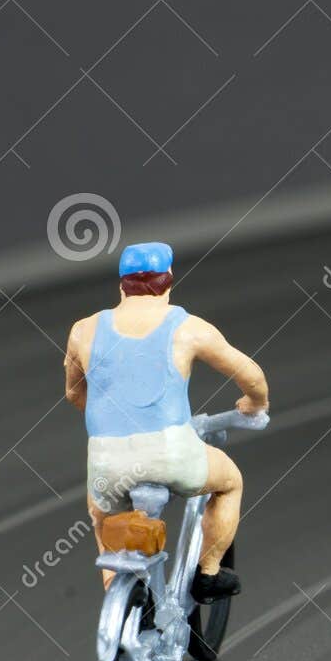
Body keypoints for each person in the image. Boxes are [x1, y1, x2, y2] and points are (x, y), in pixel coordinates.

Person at [63, 241, 269, 601]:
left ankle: (121, 595)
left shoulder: (84, 329)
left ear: (122, 286)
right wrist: (255, 404)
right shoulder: (187, 327)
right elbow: (250, 375)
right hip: (172, 453)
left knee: (102, 515)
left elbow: (74, 394)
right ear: (168, 282)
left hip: (107, 458)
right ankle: (208, 574)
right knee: (230, 482)